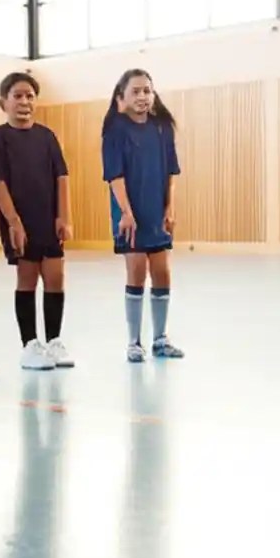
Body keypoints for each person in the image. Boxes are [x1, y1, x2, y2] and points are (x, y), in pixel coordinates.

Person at [0, 73, 74, 371]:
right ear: (3, 102)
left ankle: (54, 340)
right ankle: (30, 344)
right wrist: (14, 221)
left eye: (29, 96)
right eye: (17, 96)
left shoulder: (47, 136)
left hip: (48, 218)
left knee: (55, 277)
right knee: (27, 277)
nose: (24, 102)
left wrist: (64, 216)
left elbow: (61, 176)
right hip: (19, 220)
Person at [101, 69, 184, 363]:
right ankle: (134, 342)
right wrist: (125, 212)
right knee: (136, 270)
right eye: (135, 91)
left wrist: (169, 209)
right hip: (130, 214)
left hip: (156, 212)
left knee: (162, 272)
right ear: (121, 96)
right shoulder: (115, 130)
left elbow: (172, 173)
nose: (142, 97)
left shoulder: (162, 128)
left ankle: (160, 339)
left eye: (147, 91)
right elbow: (114, 175)